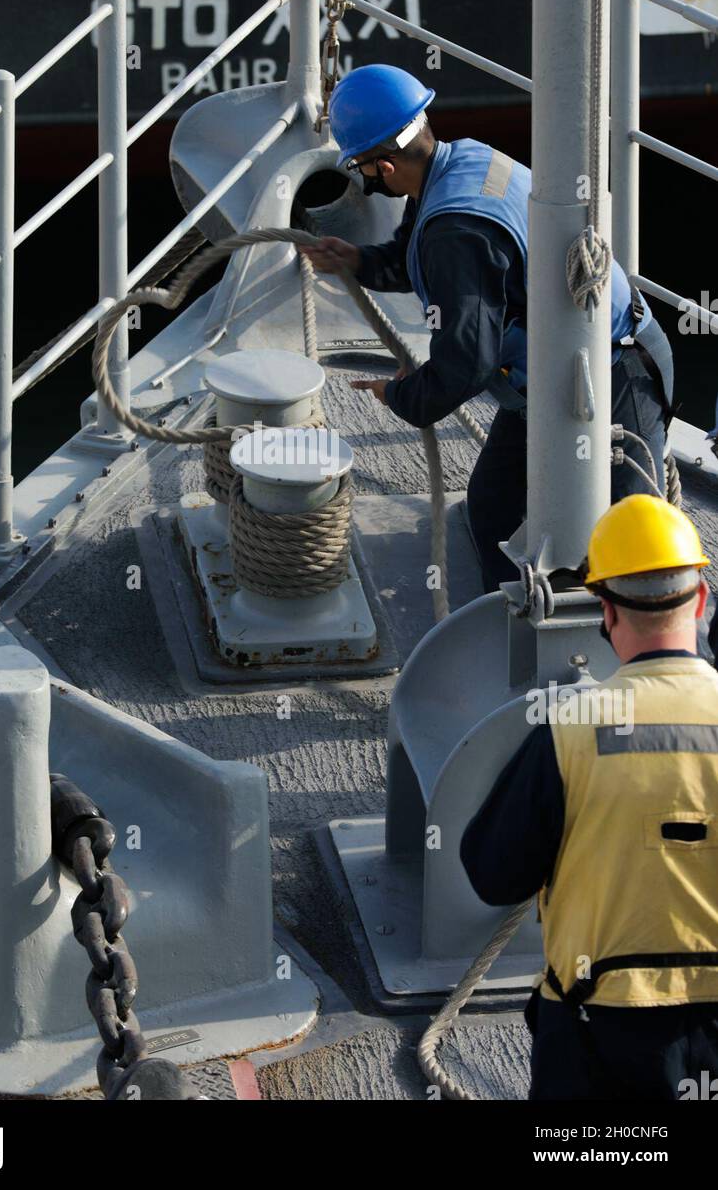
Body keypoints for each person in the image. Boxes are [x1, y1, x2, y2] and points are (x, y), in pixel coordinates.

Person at [300, 64, 676, 592]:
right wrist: (359, 260)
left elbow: (467, 362)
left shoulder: (453, 228)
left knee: (639, 548)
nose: (359, 176)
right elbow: (420, 257)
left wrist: (402, 394)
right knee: (495, 508)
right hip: (548, 381)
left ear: (382, 166)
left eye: (358, 165)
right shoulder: (460, 163)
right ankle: (514, 633)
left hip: (615, 377)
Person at [460, 495, 718, 1100]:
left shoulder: (571, 728)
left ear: (605, 612)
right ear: (702, 601)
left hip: (597, 1033)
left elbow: (492, 876)